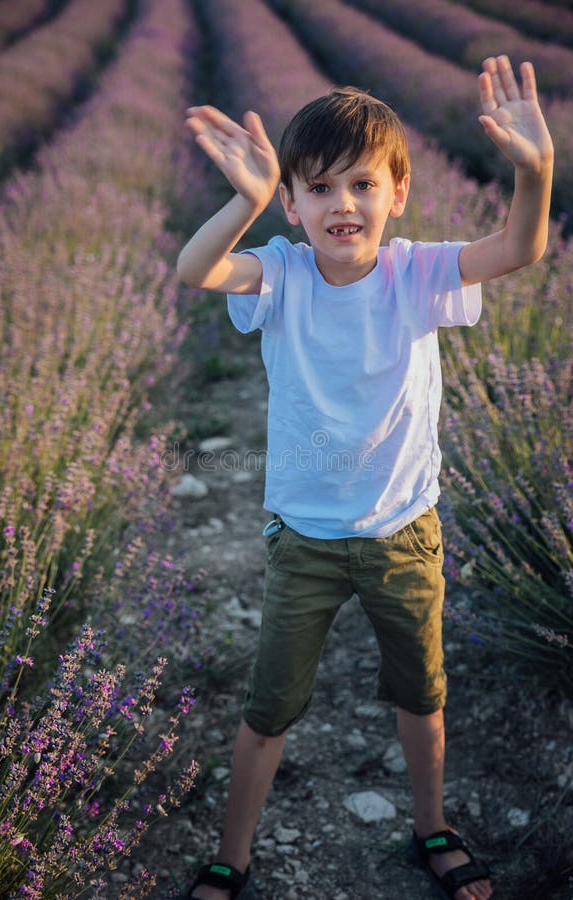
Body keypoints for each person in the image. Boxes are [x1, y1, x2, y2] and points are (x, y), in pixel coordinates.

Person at [176, 55, 553, 900]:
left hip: (402, 533)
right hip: (305, 540)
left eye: (360, 184)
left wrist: (536, 172)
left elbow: (522, 247)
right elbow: (193, 271)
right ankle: (232, 855)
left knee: (422, 699)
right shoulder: (281, 273)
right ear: (292, 205)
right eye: (317, 188)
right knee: (269, 707)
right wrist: (241, 202)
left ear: (397, 192)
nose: (342, 204)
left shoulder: (418, 273)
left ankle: (433, 827)